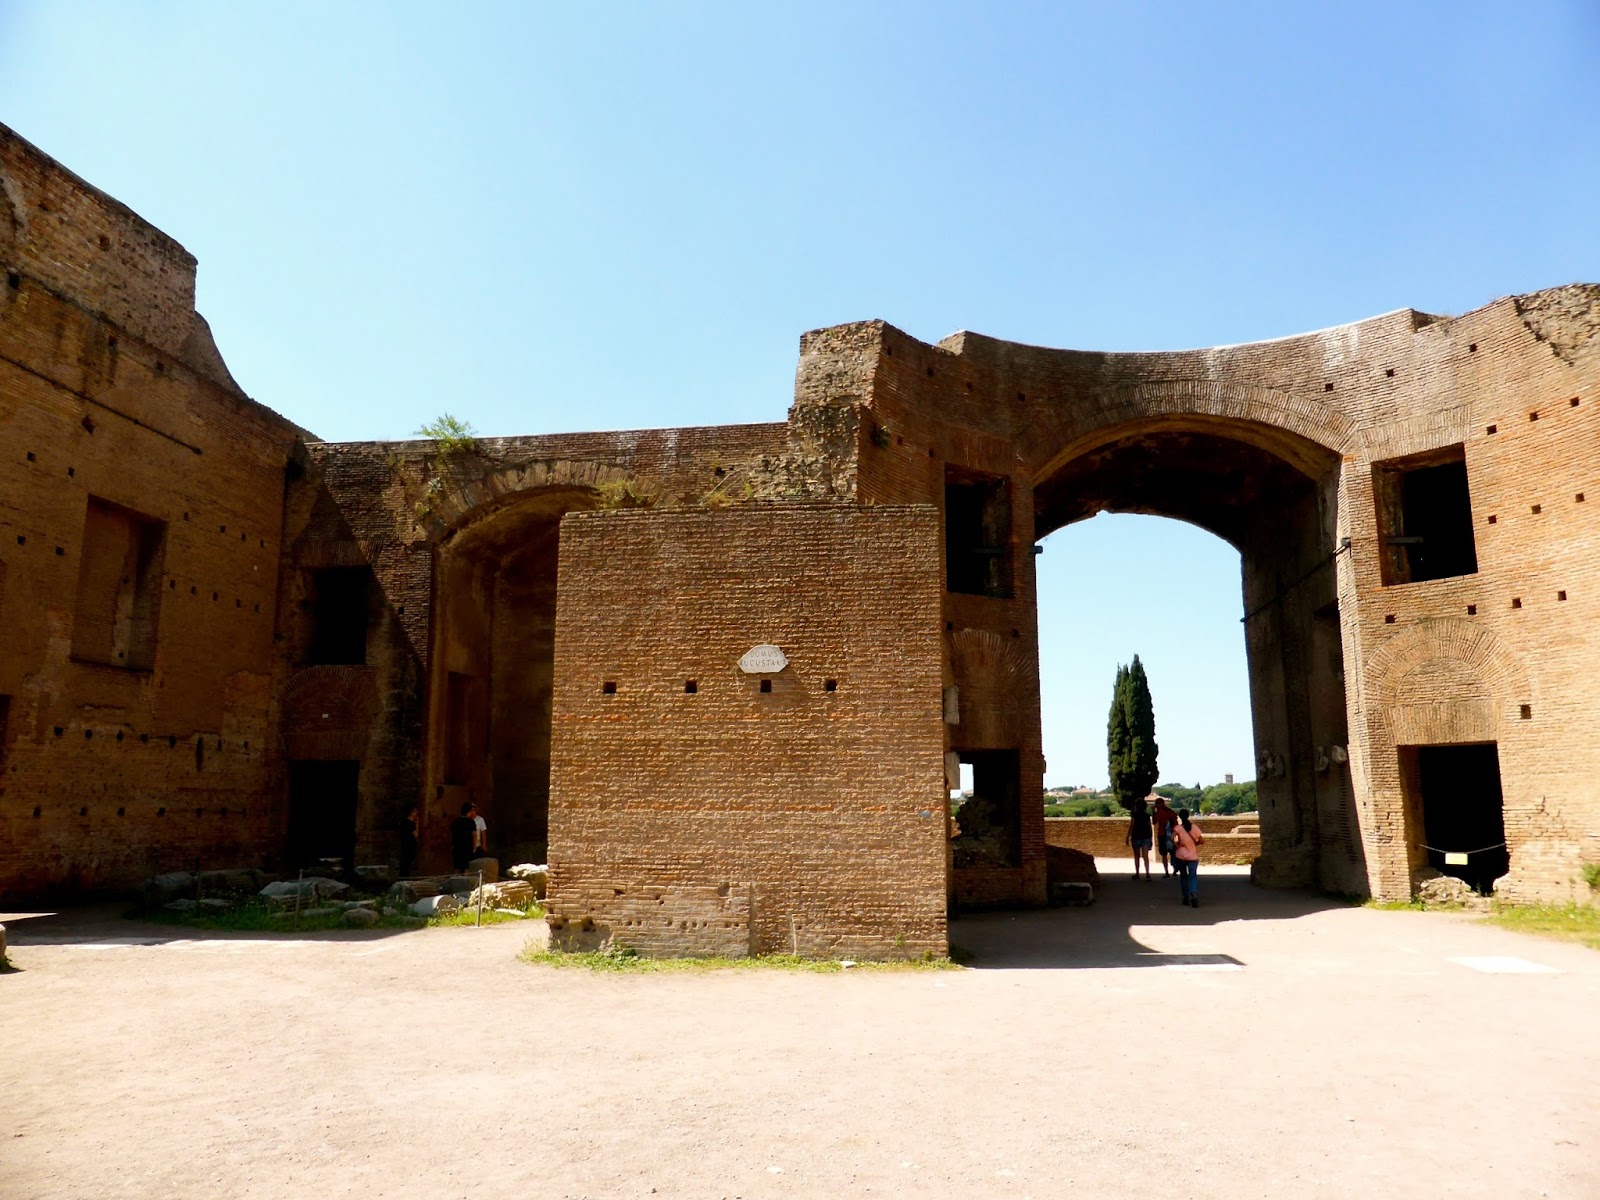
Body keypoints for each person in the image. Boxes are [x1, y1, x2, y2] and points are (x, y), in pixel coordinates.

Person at [1171, 807, 1205, 908]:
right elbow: (1202, 841)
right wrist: (1194, 844)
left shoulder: (1178, 828)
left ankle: (1185, 897)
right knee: (1193, 876)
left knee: (1183, 876)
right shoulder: (1194, 827)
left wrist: (1177, 845)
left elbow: (1171, 837)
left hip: (1181, 855)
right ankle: (1194, 893)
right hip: (1193, 856)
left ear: (1180, 817)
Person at [1124, 796, 1153, 880]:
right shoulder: (1147, 815)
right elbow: (1150, 827)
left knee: (1137, 856)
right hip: (1146, 836)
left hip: (1136, 836)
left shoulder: (1134, 815)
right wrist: (1151, 839)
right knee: (1145, 856)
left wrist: (1128, 836)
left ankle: (1137, 873)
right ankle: (1147, 874)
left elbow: (1132, 825)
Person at [1151, 795, 1178, 876]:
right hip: (1171, 835)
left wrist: (1153, 812)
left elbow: (1154, 822)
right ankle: (1175, 870)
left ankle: (1166, 872)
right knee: (1173, 853)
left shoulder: (1159, 812)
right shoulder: (1170, 812)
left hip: (1162, 835)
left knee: (1164, 854)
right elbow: (1176, 823)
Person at [450, 801, 477, 872]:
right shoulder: (471, 822)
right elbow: (474, 835)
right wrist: (475, 846)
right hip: (467, 848)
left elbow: (452, 834)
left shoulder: (456, 821)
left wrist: (452, 845)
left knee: (457, 867)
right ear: (469, 811)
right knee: (467, 868)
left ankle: (456, 879)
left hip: (457, 847)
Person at [398, 804, 419, 878]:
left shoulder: (403, 822)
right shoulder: (410, 823)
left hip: (405, 846)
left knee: (405, 864)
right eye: (415, 811)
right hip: (409, 846)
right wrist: (417, 824)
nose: (417, 813)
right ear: (411, 812)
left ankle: (403, 878)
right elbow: (416, 835)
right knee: (407, 864)